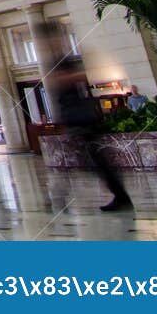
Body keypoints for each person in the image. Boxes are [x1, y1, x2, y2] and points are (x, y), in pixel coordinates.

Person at [50, 56, 130, 212]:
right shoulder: (66, 87)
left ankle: (120, 196)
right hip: (78, 127)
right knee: (91, 163)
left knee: (97, 163)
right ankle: (60, 194)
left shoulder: (71, 84)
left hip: (83, 127)